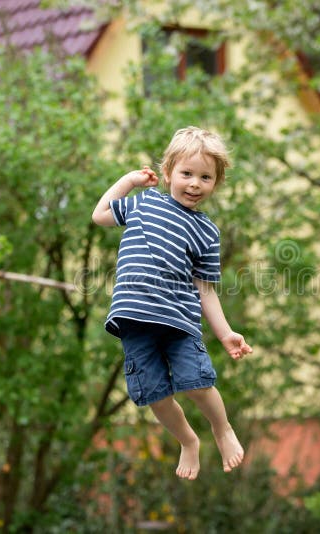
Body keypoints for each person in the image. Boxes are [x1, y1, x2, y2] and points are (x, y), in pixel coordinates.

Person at [91, 126, 252, 480]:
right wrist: (128, 181)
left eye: (205, 177)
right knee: (153, 394)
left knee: (196, 382)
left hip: (179, 322)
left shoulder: (206, 231)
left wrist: (225, 334)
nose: (195, 183)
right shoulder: (145, 203)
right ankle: (187, 440)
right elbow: (100, 215)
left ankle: (222, 429)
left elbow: (205, 288)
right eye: (187, 174)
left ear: (216, 183)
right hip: (134, 321)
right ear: (167, 174)